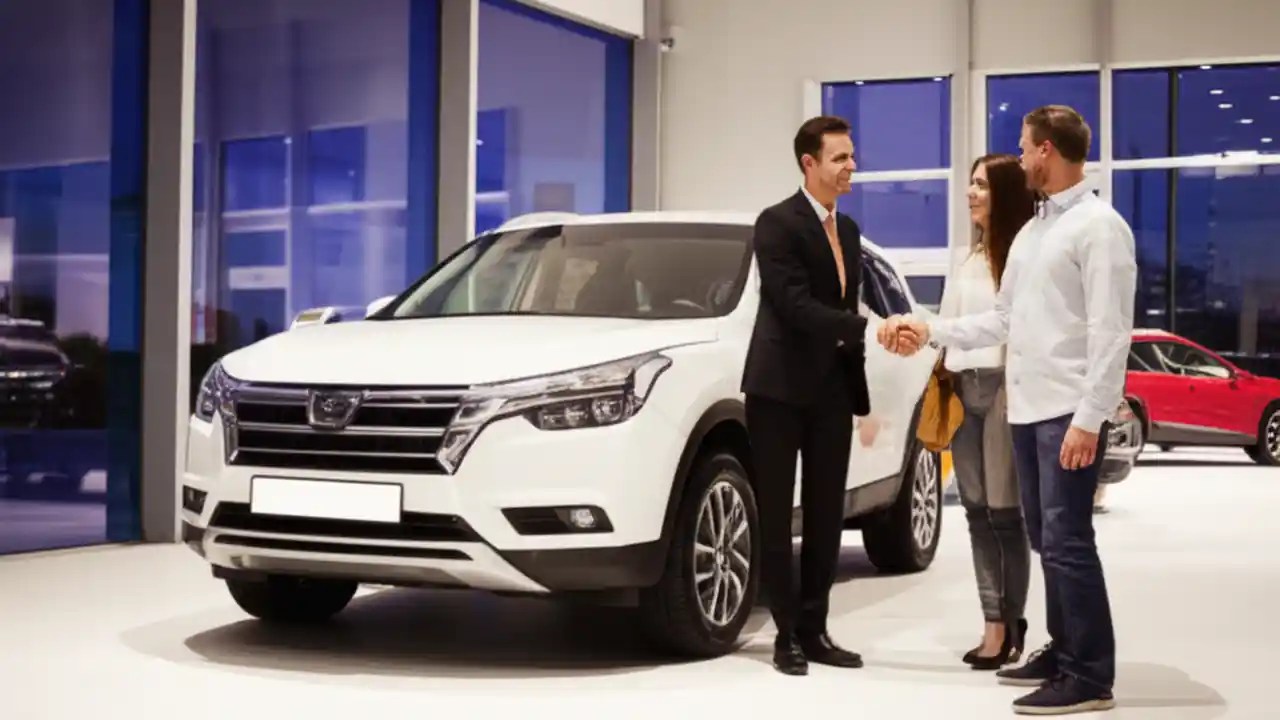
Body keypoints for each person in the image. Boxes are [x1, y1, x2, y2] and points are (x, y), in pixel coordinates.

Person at [879, 105, 1135, 715]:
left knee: (1069, 540)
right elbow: (1003, 319)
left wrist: (1089, 417)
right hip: (1027, 407)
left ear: (1047, 150)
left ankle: (1090, 674)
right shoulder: (1035, 230)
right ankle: (1063, 646)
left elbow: (1111, 332)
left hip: (1067, 410)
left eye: (1024, 147)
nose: (1019, 157)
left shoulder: (1100, 227)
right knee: (1047, 537)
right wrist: (930, 328)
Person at [741, 115, 871, 676]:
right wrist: (865, 327)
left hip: (831, 392)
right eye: (840, 158)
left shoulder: (849, 230)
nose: (851, 167)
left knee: (826, 514)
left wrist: (859, 348)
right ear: (809, 164)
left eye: (852, 157)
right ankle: (785, 635)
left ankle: (816, 628)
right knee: (776, 513)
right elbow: (792, 306)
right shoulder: (776, 223)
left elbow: (845, 305)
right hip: (778, 390)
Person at [939, 153, 1036, 671]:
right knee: (976, 514)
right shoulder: (966, 258)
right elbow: (950, 328)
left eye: (981, 185)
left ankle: (1012, 621)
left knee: (1004, 516)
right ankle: (992, 625)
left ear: (1005, 191)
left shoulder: (1020, 257)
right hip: (962, 389)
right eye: (970, 183)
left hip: (1002, 389)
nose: (972, 193)